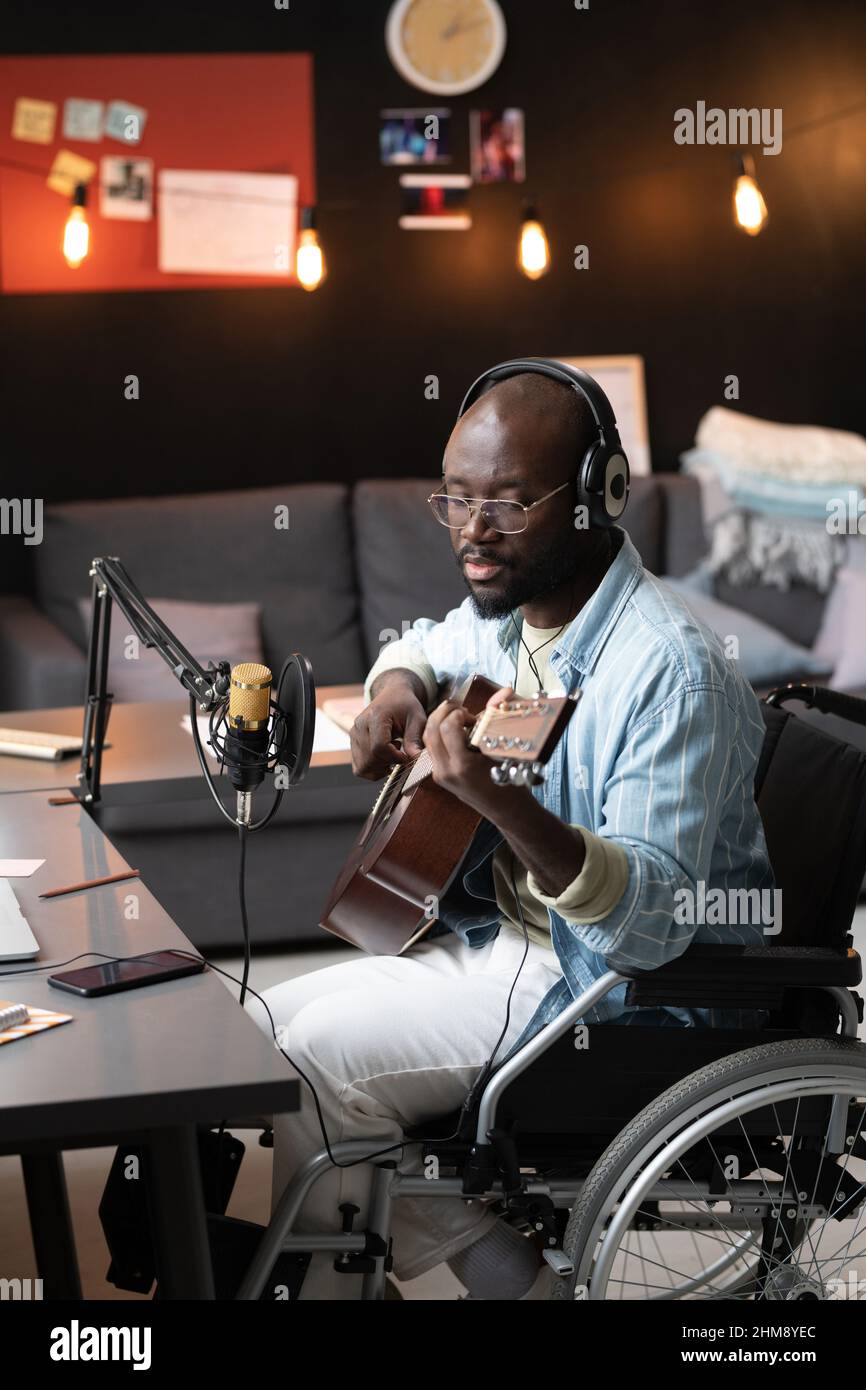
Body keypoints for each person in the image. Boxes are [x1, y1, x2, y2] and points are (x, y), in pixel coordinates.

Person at [248, 366, 774, 1300]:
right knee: (257, 1025)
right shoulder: (515, 612)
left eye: (507, 504)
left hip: (611, 995)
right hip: (511, 946)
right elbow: (422, 640)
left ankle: (510, 1289)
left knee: (308, 1066)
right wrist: (395, 691)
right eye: (454, 497)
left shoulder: (670, 673)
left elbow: (649, 929)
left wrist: (503, 803)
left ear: (597, 497)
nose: (471, 533)